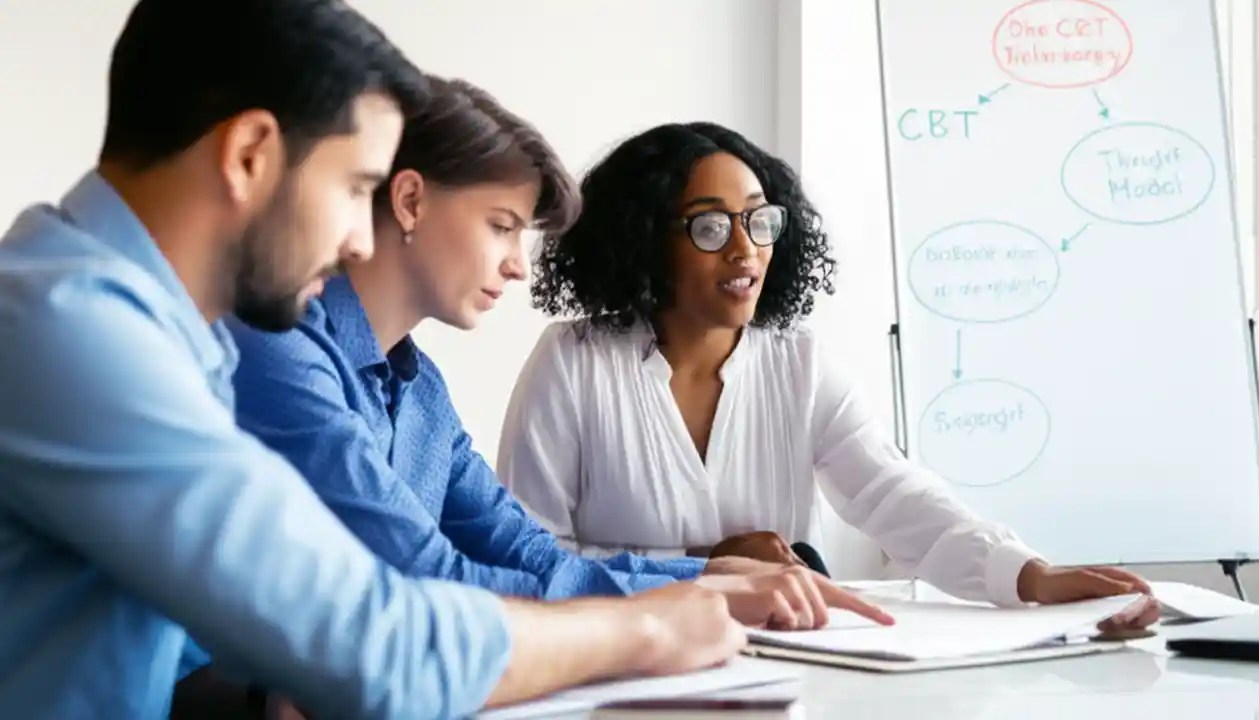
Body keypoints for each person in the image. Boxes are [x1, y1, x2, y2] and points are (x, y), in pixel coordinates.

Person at [0, 6, 747, 718]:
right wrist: (645, 629)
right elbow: (378, 641)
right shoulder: (70, 331)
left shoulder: (149, 330)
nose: (361, 240)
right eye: (357, 188)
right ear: (250, 155)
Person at [227, 75, 890, 632]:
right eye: (501, 227)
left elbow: (533, 557)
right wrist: (702, 594)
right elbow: (426, 574)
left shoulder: (421, 390)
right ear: (409, 201)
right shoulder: (282, 350)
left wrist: (712, 577)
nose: (518, 265)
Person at [497, 121, 1161, 627]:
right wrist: (709, 566)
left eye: (759, 220)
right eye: (710, 227)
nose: (745, 248)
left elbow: (894, 496)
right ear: (644, 239)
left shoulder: (800, 364)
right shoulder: (573, 364)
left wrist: (1029, 577)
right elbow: (526, 561)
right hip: (617, 667)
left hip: (784, 664)